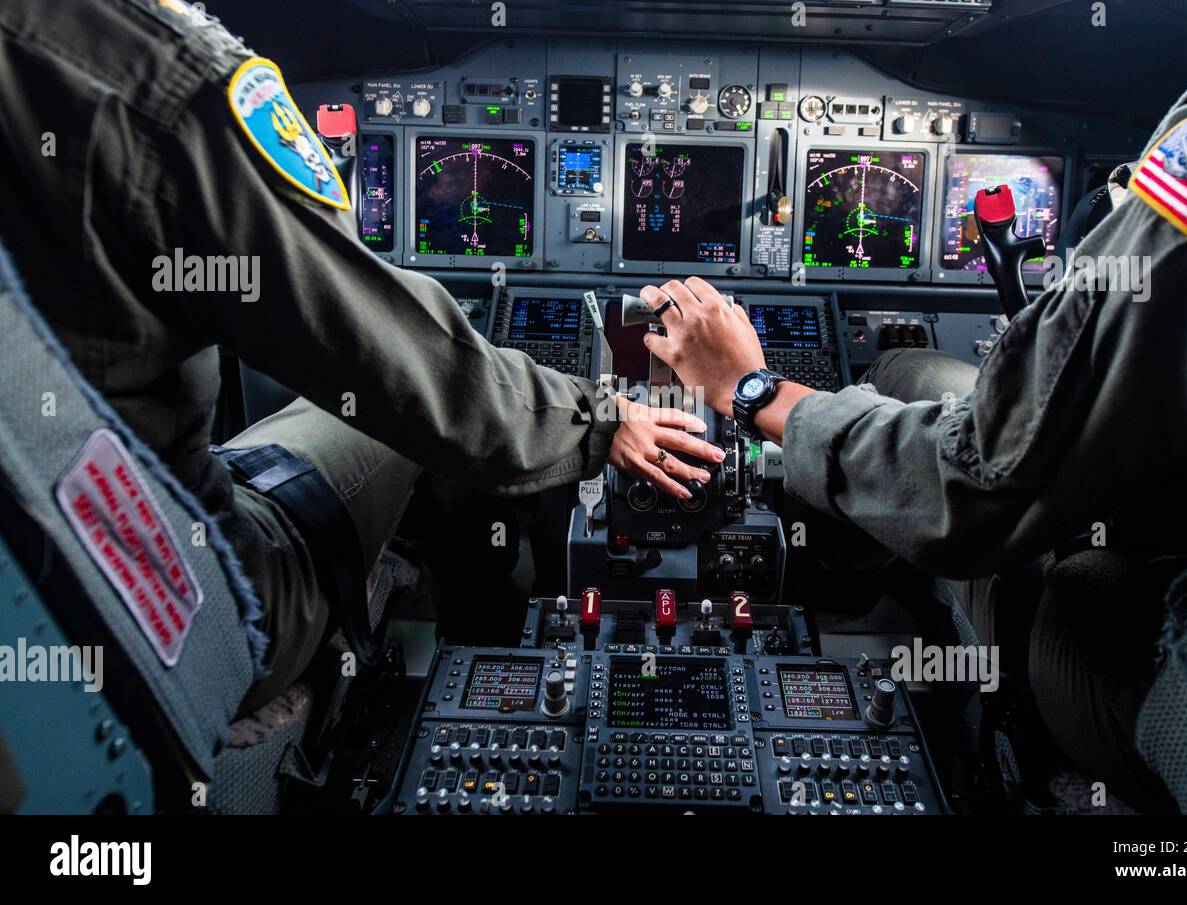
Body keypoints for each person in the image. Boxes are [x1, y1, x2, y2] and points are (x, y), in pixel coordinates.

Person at [641, 19, 1187, 811]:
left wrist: (752, 390)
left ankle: (878, 622)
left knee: (1074, 590)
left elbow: (981, 484)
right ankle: (849, 600)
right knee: (912, 376)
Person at [0, 0, 723, 714]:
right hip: (178, 590)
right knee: (417, 409)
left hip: (69, 558)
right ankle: (485, 634)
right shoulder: (147, 67)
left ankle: (475, 636)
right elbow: (390, 357)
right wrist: (602, 419)